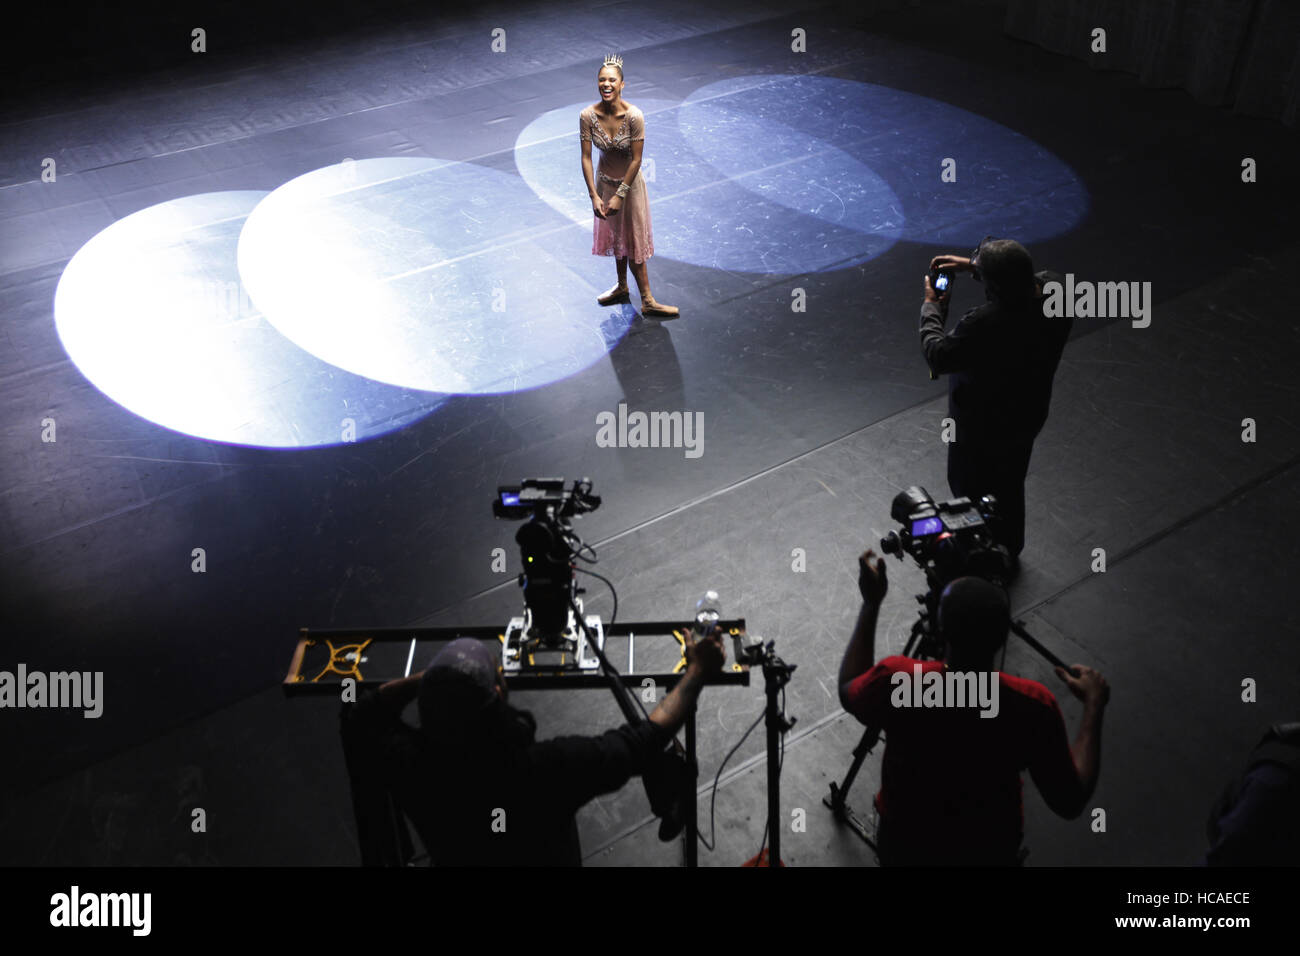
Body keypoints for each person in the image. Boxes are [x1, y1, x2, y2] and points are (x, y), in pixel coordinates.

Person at [340, 629, 726, 865]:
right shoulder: (547, 770)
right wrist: (697, 670)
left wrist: (436, 679)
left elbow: (362, 714)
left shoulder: (413, 768)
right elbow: (649, 737)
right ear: (498, 694)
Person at [837, 549, 1109, 865]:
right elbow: (1069, 802)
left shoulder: (897, 681)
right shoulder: (1032, 705)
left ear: (940, 628)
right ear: (1003, 637)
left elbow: (848, 688)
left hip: (904, 849)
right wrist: (1093, 705)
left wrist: (871, 603)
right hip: (987, 854)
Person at [920, 238, 1070, 566]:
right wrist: (976, 267)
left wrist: (932, 307)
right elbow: (1029, 279)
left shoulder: (983, 324)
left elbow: (937, 356)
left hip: (980, 430)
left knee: (970, 489)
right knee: (1010, 481)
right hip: (1026, 416)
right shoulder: (1059, 292)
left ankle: (981, 556)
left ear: (993, 288)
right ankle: (1010, 545)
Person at [580, 53, 678, 318]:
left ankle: (647, 299)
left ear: (622, 84)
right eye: (602, 80)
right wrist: (593, 195)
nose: (606, 84)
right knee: (616, 236)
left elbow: (636, 160)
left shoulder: (634, 116)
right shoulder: (587, 116)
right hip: (604, 184)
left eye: (612, 80)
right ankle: (622, 286)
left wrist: (620, 195)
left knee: (633, 240)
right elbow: (586, 157)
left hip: (629, 187)